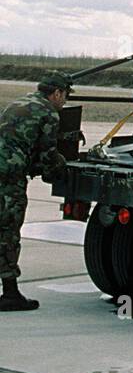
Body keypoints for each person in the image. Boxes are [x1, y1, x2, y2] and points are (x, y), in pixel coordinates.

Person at [0, 72, 71, 313]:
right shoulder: (49, 113)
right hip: (8, 177)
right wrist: (59, 168)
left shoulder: (17, 102)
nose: (64, 102)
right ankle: (9, 293)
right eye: (65, 96)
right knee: (8, 231)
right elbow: (47, 155)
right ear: (57, 93)